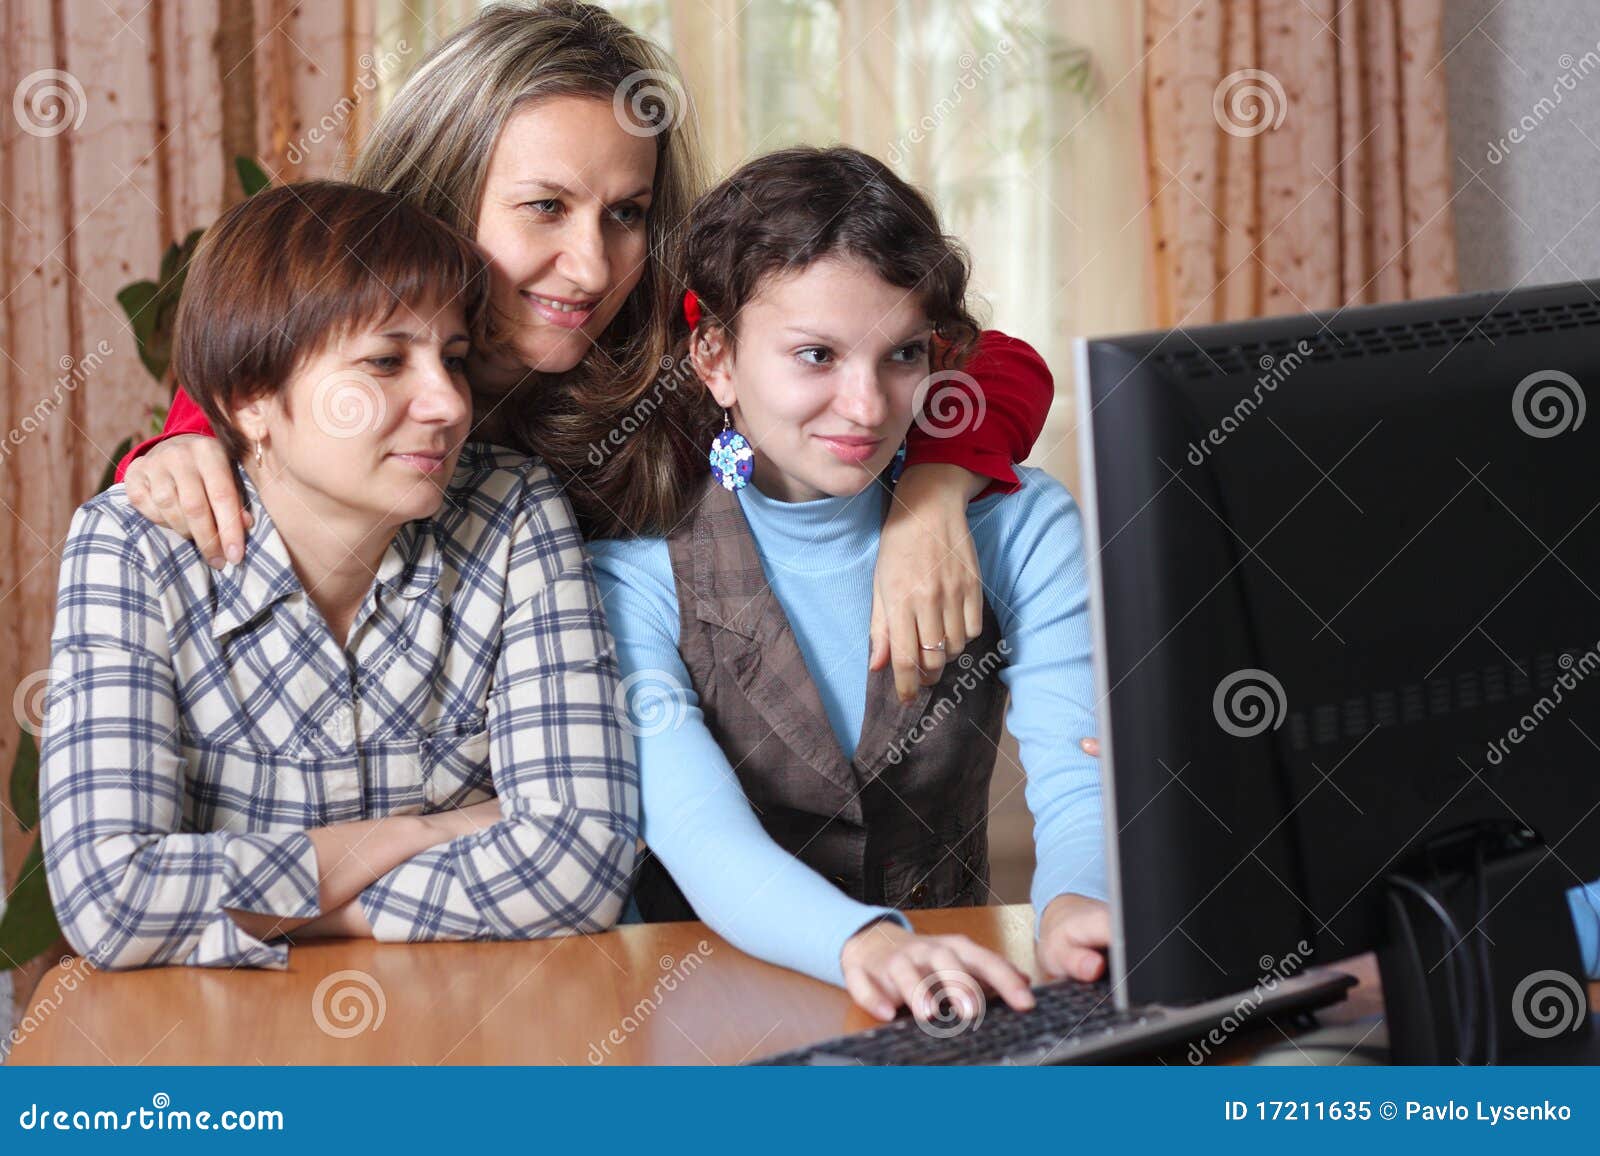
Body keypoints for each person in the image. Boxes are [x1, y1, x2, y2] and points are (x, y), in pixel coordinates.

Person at [111, 0, 1059, 705]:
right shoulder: (322, 384)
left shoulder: (679, 356)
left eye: (627, 214)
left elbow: (995, 359)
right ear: (442, 193)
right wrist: (181, 440)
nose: (590, 264)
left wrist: (933, 491)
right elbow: (237, 400)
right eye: (544, 207)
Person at [39, 182, 637, 969]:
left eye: (453, 360)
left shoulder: (513, 510)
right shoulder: (132, 546)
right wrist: (416, 834)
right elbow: (112, 901)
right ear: (252, 400)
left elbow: (583, 863)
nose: (447, 404)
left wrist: (273, 908)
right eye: (386, 361)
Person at [589, 147, 1109, 1022]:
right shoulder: (634, 568)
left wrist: (1078, 905)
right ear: (715, 357)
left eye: (902, 354)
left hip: (958, 1008)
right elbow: (700, 833)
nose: (867, 407)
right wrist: (868, 944)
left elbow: (1080, 778)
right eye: (816, 355)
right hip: (705, 1013)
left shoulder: (1021, 526)